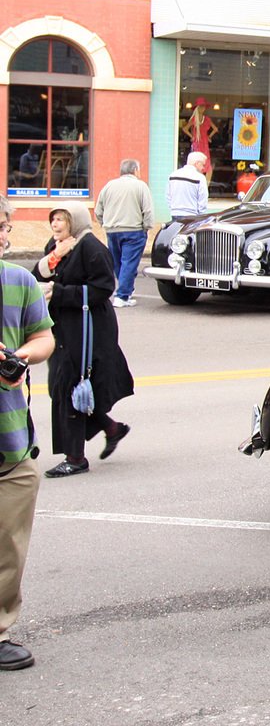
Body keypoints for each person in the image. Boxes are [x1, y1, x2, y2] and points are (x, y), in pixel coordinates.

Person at [34, 203, 133, 479]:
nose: (55, 225)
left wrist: (59, 292)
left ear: (74, 221)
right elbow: (37, 276)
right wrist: (54, 256)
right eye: (53, 219)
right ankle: (111, 428)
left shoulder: (91, 248)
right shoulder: (58, 246)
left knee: (68, 386)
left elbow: (103, 288)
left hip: (88, 330)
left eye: (61, 219)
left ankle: (75, 458)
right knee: (61, 388)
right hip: (62, 328)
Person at [0, 198, 56, 671]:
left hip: (10, 440)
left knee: (8, 545)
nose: (5, 234)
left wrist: (23, 356)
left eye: (5, 225)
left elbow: (44, 337)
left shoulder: (18, 281)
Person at [94, 159, 155, 308]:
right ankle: (122, 295)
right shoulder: (141, 186)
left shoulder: (109, 186)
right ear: (135, 170)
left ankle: (126, 289)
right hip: (134, 230)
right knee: (129, 263)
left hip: (112, 230)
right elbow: (147, 210)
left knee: (118, 263)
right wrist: (146, 226)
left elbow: (98, 210)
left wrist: (104, 223)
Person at [166, 151, 209, 219]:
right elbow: (202, 200)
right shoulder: (200, 178)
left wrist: (173, 208)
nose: (203, 168)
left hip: (175, 213)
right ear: (197, 163)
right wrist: (201, 216)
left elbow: (168, 195)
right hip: (192, 215)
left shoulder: (172, 175)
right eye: (203, 165)